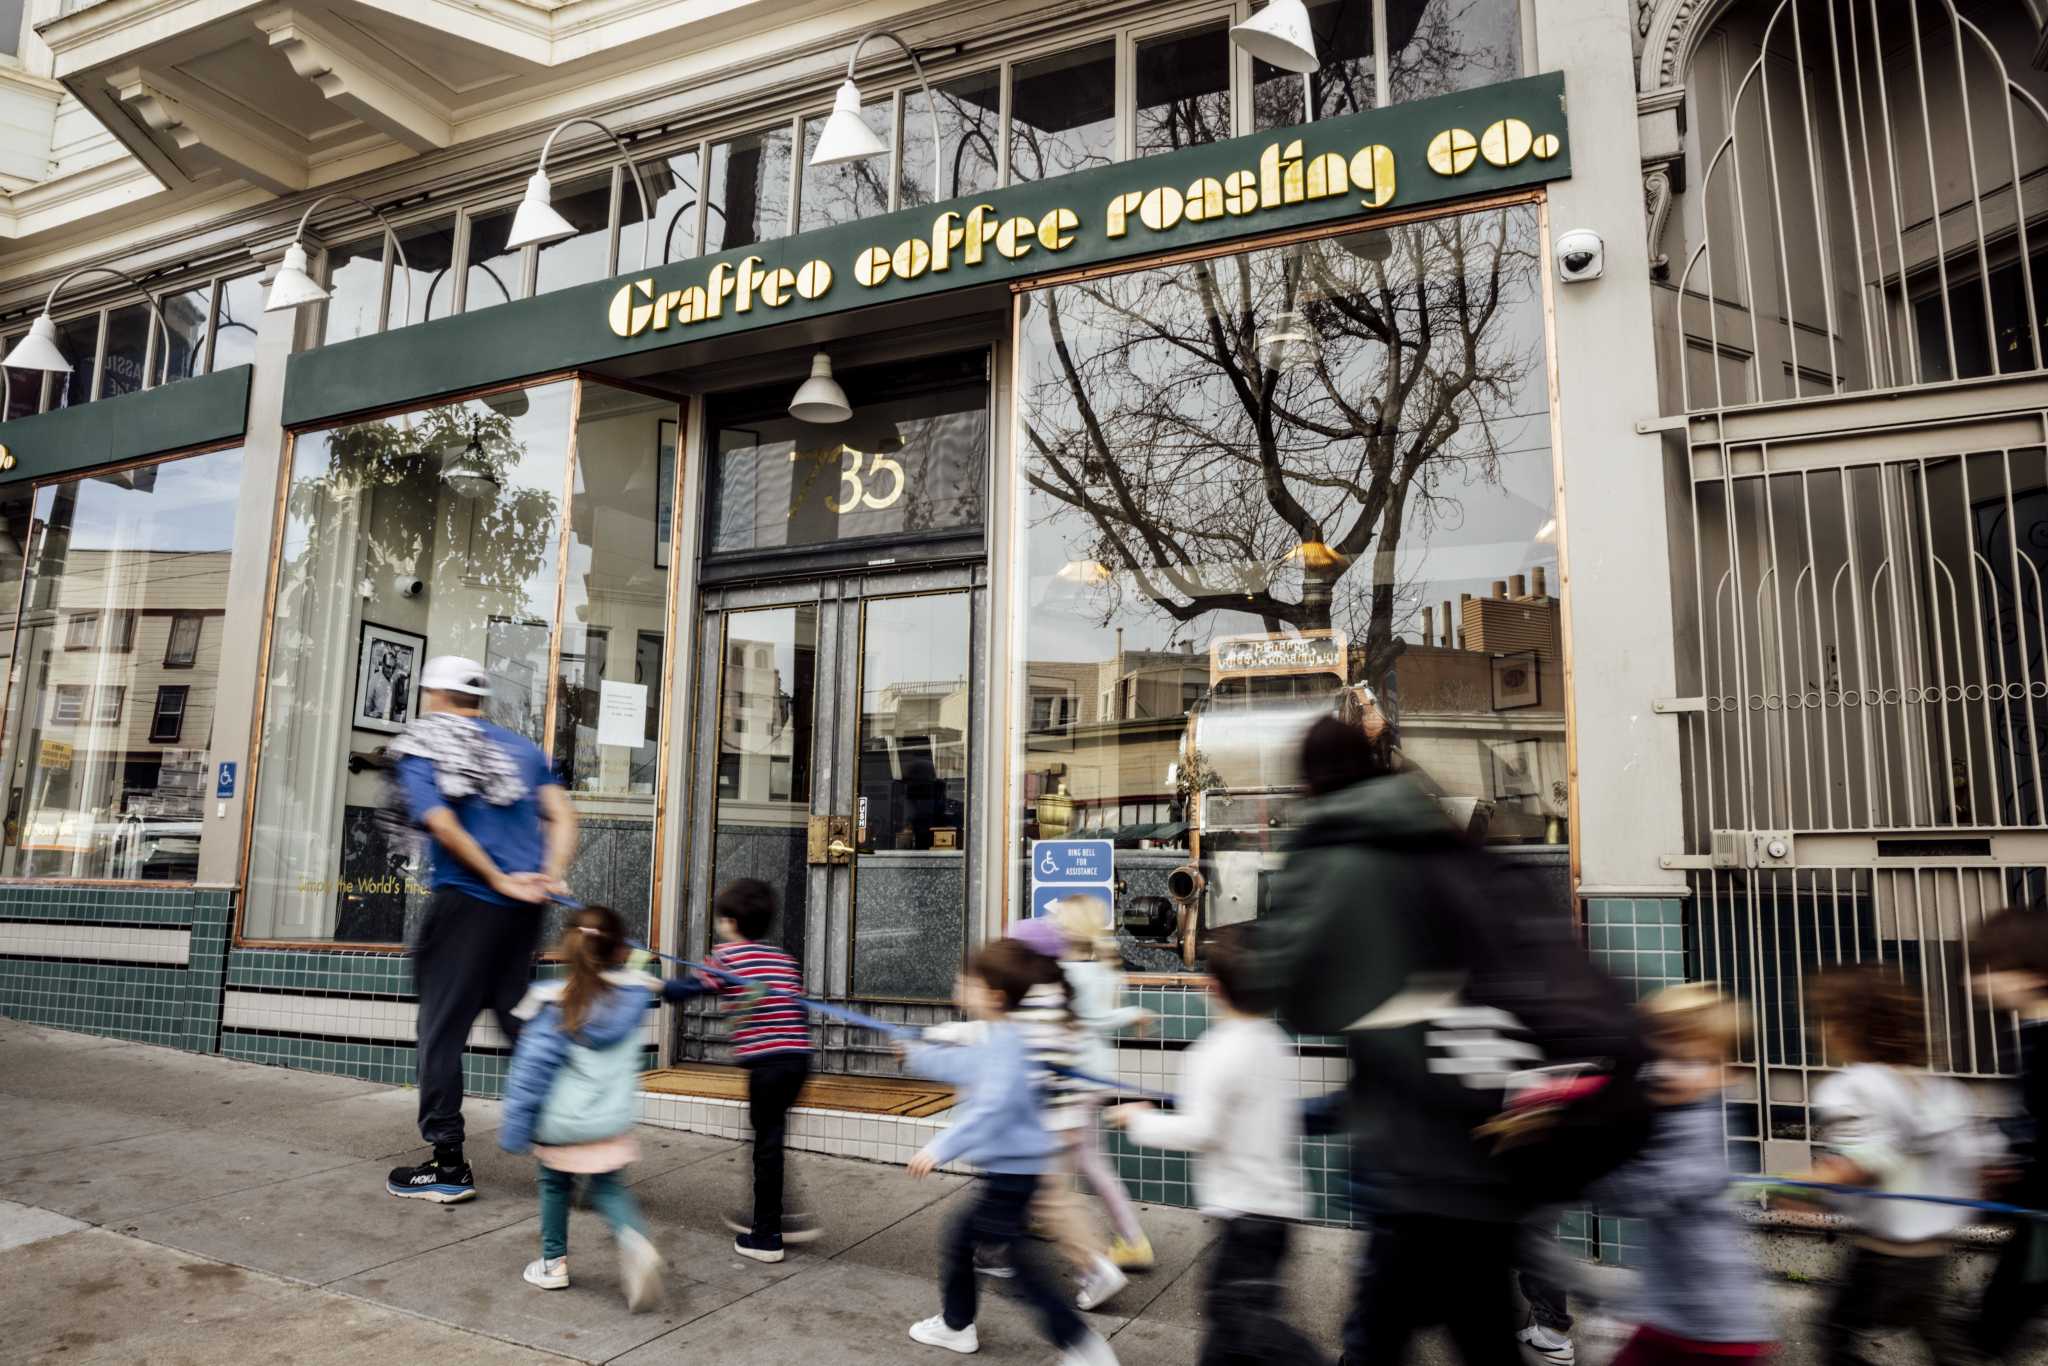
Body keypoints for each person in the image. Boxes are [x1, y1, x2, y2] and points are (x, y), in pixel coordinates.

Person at [1241, 710, 1526, 1366]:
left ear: (1310, 780)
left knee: (1376, 1337)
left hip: (1409, 1147)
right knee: (1483, 1331)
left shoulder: (1335, 849)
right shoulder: (1434, 830)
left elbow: (1288, 989)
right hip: (1486, 1125)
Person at [384, 655, 577, 1203]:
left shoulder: (427, 742)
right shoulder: (520, 750)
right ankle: (572, 1147)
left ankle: (447, 1164)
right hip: (522, 910)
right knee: (519, 1022)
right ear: (480, 699)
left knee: (441, 1030)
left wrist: (496, 875)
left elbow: (441, 823)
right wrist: (549, 875)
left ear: (434, 694)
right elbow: (564, 816)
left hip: (467, 904)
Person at [1107, 924, 1326, 1366]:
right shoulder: (1273, 1042)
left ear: (1213, 987)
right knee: (1232, 1330)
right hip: (1277, 1208)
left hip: (1246, 1213)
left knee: (1243, 1324)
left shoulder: (1214, 1051)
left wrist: (1141, 1120)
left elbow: (1201, 1131)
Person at [898, 940, 1119, 1366]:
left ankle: (1079, 1344)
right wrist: (917, 1055)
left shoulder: (1007, 1042)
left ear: (994, 996)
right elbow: (965, 1067)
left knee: (1019, 1269)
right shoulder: (1001, 1036)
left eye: (967, 983)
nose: (958, 988)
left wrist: (939, 1147)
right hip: (1015, 1171)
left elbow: (992, 1108)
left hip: (1013, 1174)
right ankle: (957, 1324)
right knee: (967, 1241)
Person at [1803, 965, 2000, 1365]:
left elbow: (1866, 1160)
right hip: (1931, 1254)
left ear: (1845, 1025)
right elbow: (1981, 1163)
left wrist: (1803, 1185)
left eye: (1823, 1019)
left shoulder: (1855, 1085)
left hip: (1882, 1252)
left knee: (1834, 1334)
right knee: (1939, 1338)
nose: (1818, 1031)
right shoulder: (1944, 1089)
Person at [1586, 984, 1775, 1365]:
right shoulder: (1669, 1116)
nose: (1667, 1072)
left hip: (1714, 1330)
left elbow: (1641, 1195)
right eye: (1658, 1057)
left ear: (1727, 1073)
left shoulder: (1702, 1134)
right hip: (1670, 1316)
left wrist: (1585, 1164)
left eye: (1692, 1062)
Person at [498, 905, 666, 1310]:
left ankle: (553, 1264)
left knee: (555, 1185)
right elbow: (636, 971)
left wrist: (516, 1127)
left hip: (562, 1123)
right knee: (608, 1186)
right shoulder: (632, 999)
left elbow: (531, 1072)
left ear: (569, 948)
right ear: (619, 952)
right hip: (610, 1120)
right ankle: (634, 1242)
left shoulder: (557, 1004)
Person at [1006, 917, 1128, 1311]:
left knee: (1050, 1202)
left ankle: (1095, 1267)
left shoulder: (1033, 1004)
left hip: (1044, 1124)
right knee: (1046, 1198)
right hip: (1062, 1120)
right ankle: (994, 1251)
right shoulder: (1058, 997)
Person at [693, 877, 817, 1263]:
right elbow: (798, 1011)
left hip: (766, 1066)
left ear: (729, 922)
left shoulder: (729, 957)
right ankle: (781, 1217)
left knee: (766, 1146)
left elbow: (694, 987)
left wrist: (658, 986)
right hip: (797, 1061)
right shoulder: (782, 958)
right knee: (771, 1140)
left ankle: (767, 1236)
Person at [1047, 894, 1156, 1272]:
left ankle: (1119, 1243)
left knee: (1066, 1166)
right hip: (1094, 1079)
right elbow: (1101, 1017)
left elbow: (1092, 1019)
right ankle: (1130, 1239)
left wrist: (1132, 1014)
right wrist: (1132, 1013)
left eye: (1058, 920)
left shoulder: (1067, 972)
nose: (1053, 926)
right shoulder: (1105, 969)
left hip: (1075, 1081)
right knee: (1090, 1164)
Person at [1969, 906, 2048, 1361]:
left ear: (2032, 974)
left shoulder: (2044, 1046)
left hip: (2042, 1219)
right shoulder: (2033, 1039)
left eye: (1991, 968)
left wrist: (2016, 1175)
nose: (1978, 982)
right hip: (2036, 1214)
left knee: (1996, 1322)